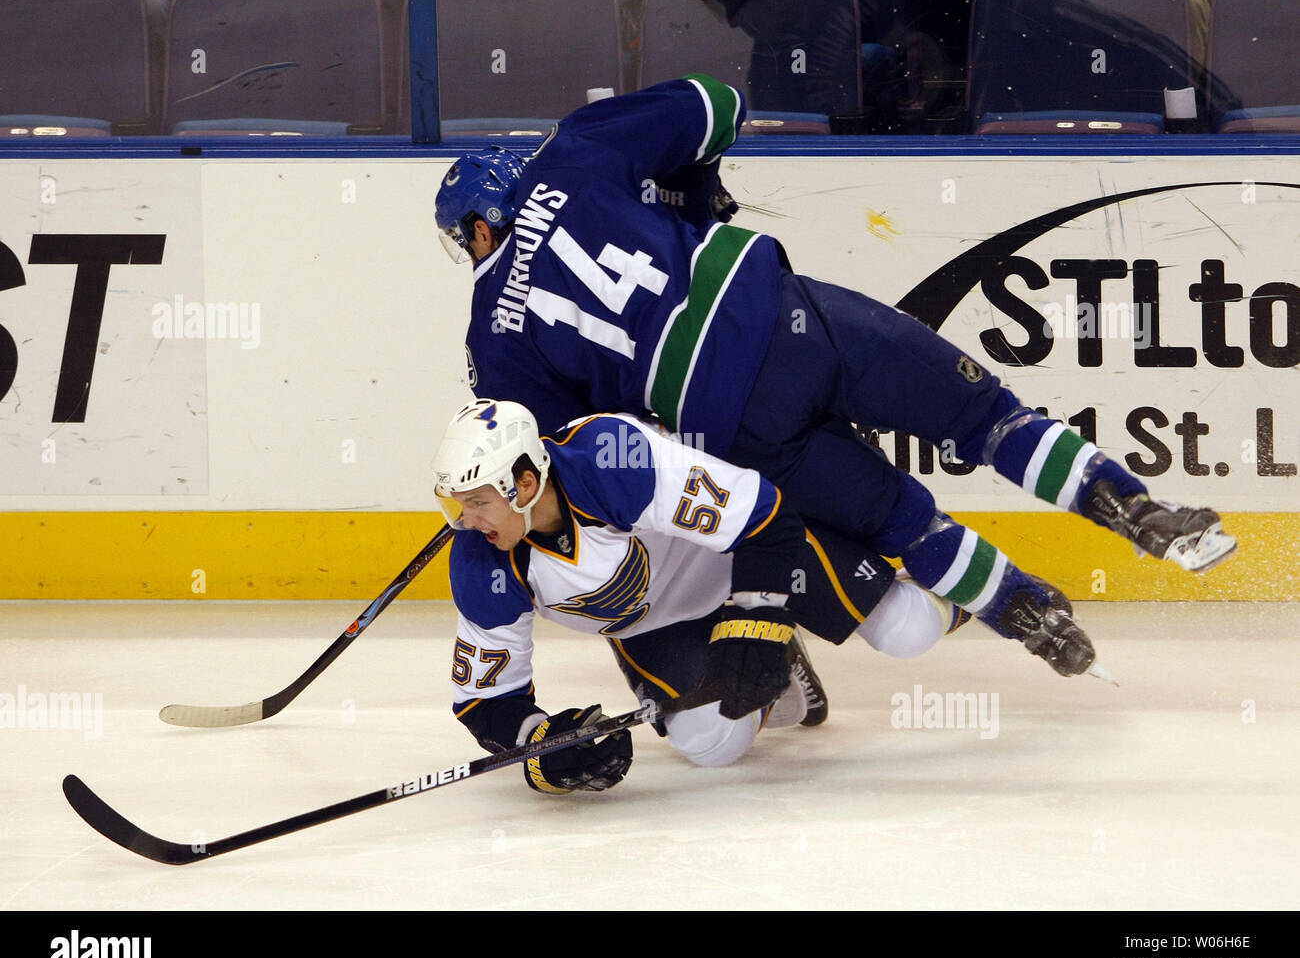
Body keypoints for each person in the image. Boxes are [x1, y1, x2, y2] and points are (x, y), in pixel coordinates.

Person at [433, 74, 1236, 680]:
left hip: (726, 424)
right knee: (987, 420)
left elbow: (551, 454)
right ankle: (1136, 508)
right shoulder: (570, 151)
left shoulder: (491, 337)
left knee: (904, 526)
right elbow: (718, 101)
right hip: (790, 326)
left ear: (476, 225)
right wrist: (683, 186)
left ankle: (1021, 607)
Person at [434, 398, 965, 794]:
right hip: (657, 625)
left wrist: (756, 620)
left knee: (907, 630)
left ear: (525, 484)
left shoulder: (611, 461)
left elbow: (763, 517)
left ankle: (966, 584)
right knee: (709, 743)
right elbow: (486, 700)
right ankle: (778, 666)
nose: (465, 521)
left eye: (477, 502)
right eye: (455, 504)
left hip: (743, 560)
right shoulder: (481, 559)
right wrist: (541, 741)